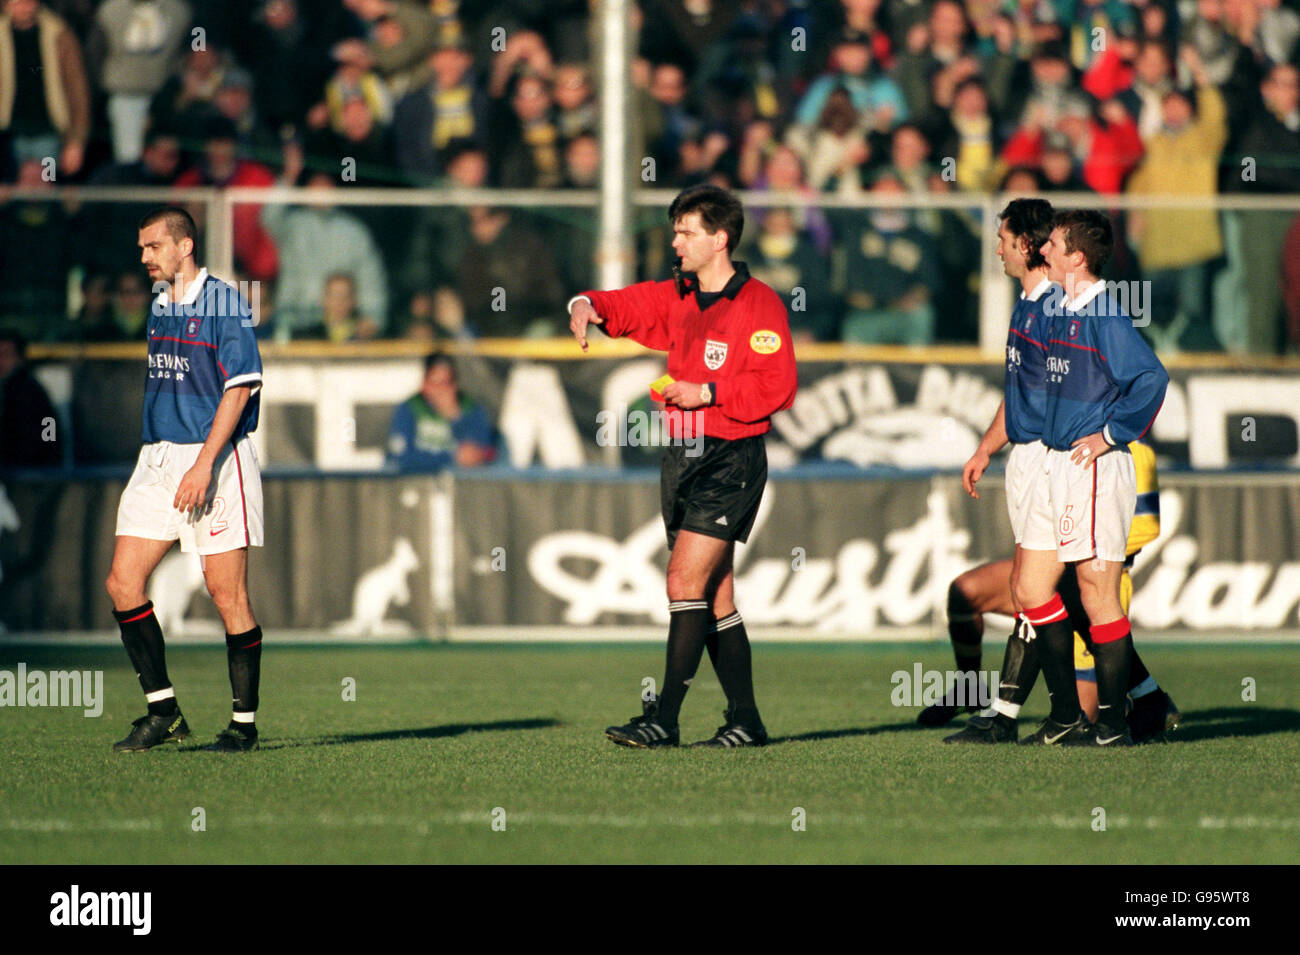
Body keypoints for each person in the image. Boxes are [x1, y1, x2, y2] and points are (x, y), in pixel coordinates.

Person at [568, 183, 798, 748]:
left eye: (686, 232)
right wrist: (587, 304)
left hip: (730, 458)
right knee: (715, 597)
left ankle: (664, 718)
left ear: (720, 239)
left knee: (682, 581)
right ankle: (746, 720)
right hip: (684, 454)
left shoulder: (759, 304)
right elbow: (631, 306)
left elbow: (779, 385)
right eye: (675, 231)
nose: (676, 242)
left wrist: (710, 392)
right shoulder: (681, 293)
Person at [104, 206, 266, 754]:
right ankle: (163, 711)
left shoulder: (226, 303)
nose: (144, 257)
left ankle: (243, 725)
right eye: (142, 247)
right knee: (122, 584)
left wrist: (204, 465)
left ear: (185, 246)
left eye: (153, 246)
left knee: (227, 594)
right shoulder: (158, 303)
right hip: (158, 457)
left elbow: (239, 388)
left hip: (213, 459)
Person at [1013, 209, 1168, 746]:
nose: (1044, 251)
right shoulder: (1061, 307)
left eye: (1053, 244)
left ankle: (1114, 724)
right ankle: (1068, 716)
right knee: (1033, 588)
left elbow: (1150, 376)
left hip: (1093, 468)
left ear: (1077, 257)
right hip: (1058, 463)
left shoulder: (1104, 313)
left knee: (1098, 593)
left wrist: (1109, 434)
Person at [929, 440, 1180, 743]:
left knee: (1087, 711)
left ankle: (1139, 702)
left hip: (1097, 574)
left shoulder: (1131, 452)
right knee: (969, 590)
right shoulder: (1053, 442)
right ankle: (972, 691)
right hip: (1057, 562)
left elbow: (1145, 525)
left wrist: (1080, 551)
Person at [386, 352, 496, 472]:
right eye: (435, 383)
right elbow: (400, 457)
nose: (441, 390)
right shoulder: (409, 409)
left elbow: (482, 453)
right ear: (425, 385)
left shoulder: (471, 410)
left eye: (446, 383)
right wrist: (449, 457)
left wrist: (454, 418)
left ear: (455, 385)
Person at [0, 328, 60, 468]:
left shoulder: (30, 393)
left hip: (29, 474)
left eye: (6, 354)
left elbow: (49, 430)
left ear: (20, 359)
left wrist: (47, 458)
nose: (1, 361)